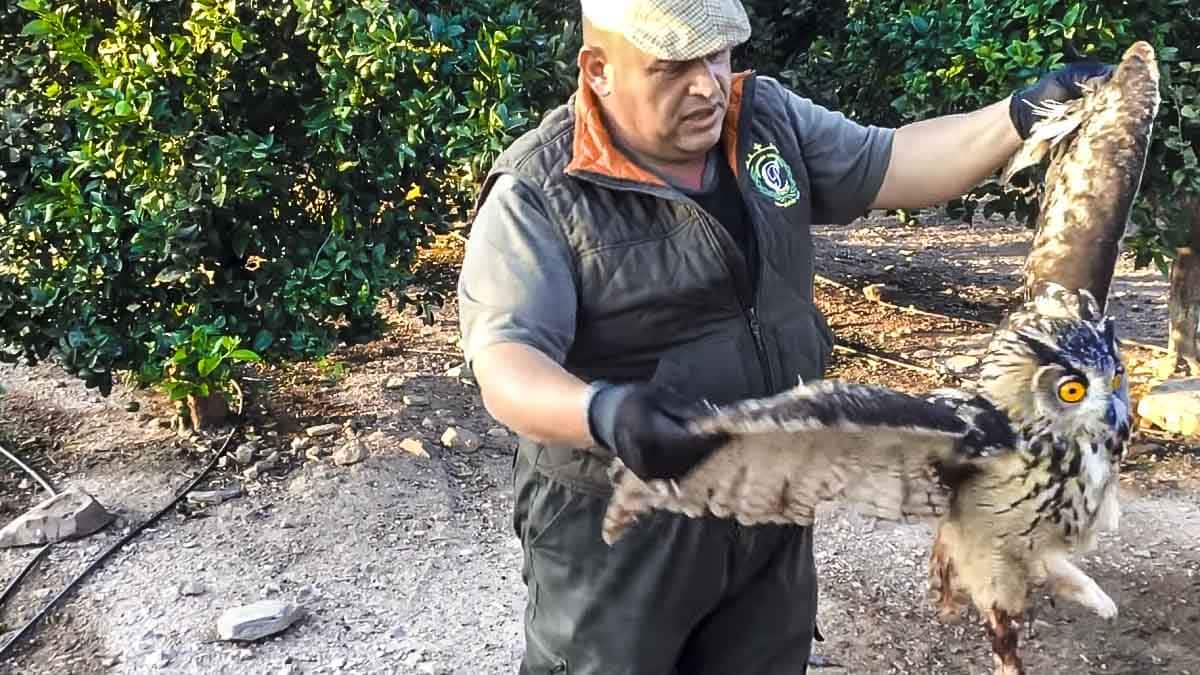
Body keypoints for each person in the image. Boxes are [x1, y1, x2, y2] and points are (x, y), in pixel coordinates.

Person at [456, 1, 1112, 672]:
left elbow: (895, 162)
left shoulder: (764, 119)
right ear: (598, 69)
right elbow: (507, 361)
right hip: (620, 521)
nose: (708, 85)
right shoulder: (540, 190)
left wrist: (1019, 115)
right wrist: (604, 411)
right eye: (671, 66)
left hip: (766, 498)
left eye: (717, 55)